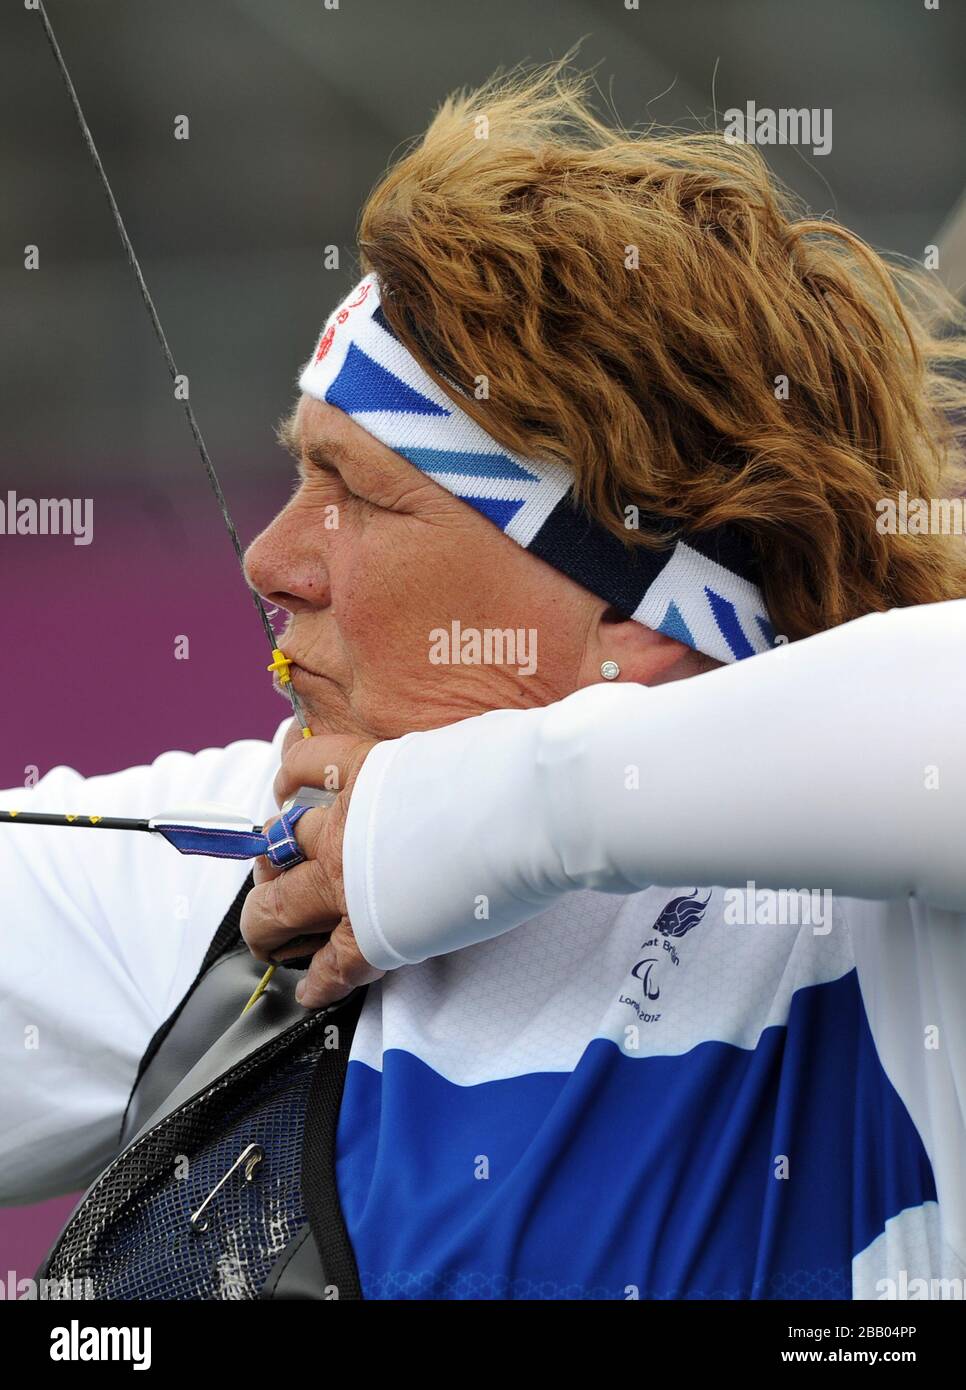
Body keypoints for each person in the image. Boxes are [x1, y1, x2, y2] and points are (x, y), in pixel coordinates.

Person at [2, 63, 965, 1301]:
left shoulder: (878, 953)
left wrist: (462, 826)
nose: (271, 559)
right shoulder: (264, 877)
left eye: (363, 496)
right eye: (302, 476)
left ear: (636, 619)